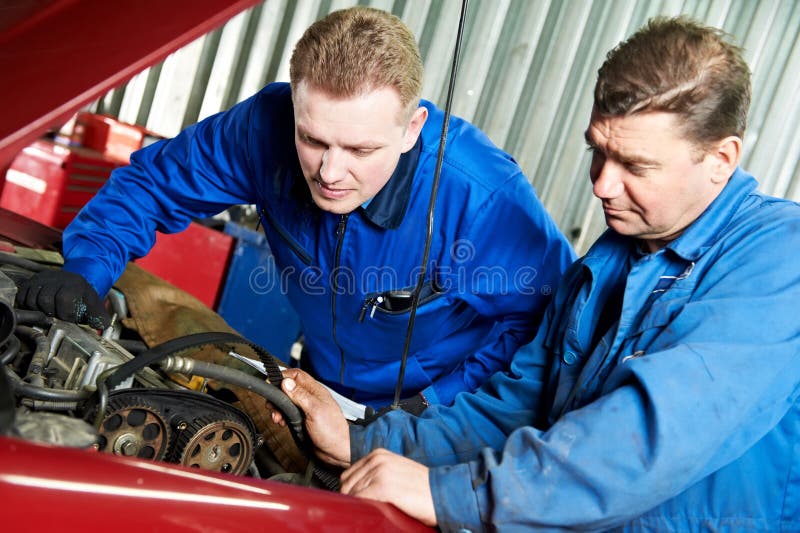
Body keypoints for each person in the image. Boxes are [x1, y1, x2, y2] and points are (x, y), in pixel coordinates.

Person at [272, 15, 800, 530]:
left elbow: (645, 439)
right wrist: (366, 441)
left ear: (721, 158)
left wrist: (448, 493)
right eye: (599, 151)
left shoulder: (778, 260)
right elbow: (516, 407)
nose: (602, 186)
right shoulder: (607, 263)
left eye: (635, 166)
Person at [15, 7, 574, 412]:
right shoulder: (265, 128)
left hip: (438, 415)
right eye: (314, 140)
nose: (330, 173)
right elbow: (150, 186)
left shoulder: (479, 196)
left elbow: (545, 325)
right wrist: (86, 271)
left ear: (412, 129)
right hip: (324, 388)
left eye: (360, 150)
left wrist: (431, 410)